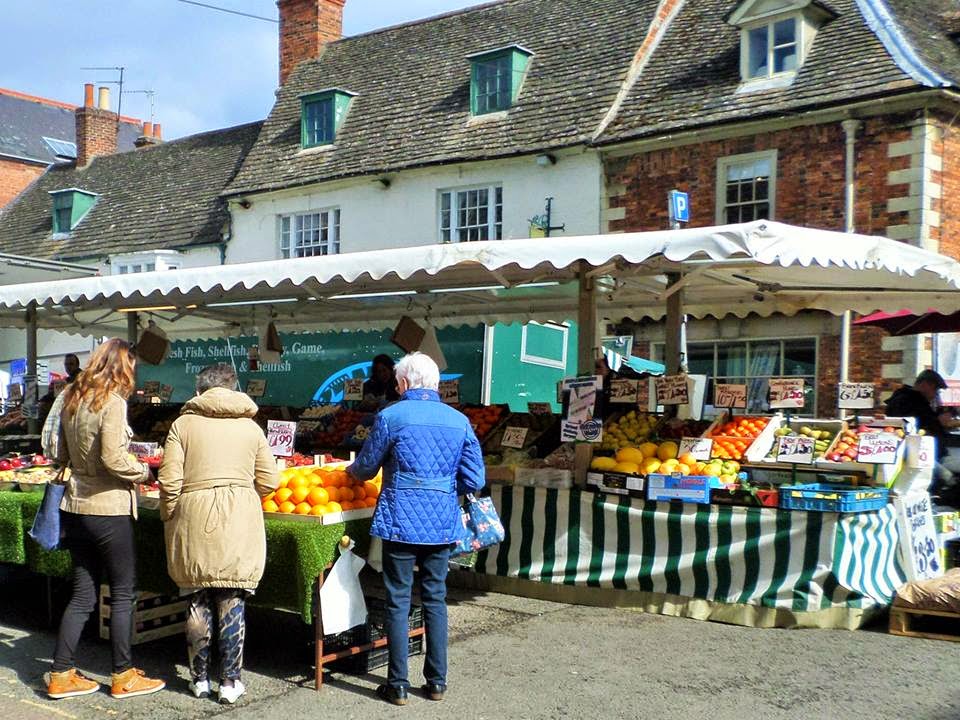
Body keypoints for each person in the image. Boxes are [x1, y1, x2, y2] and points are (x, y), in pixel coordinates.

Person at [348, 352, 485, 706]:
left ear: (404, 383)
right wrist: (440, 489)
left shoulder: (391, 416)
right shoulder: (459, 421)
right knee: (436, 598)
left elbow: (364, 469)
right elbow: (475, 479)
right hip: (441, 522)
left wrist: (349, 474)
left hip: (400, 520)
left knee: (398, 600)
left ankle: (398, 685)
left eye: (397, 381)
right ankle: (437, 683)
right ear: (435, 383)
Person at [47, 339, 165, 700]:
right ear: (121, 366)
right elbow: (115, 458)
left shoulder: (73, 397)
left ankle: (60, 673)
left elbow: (61, 452)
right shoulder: (112, 402)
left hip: (75, 506)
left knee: (83, 594)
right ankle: (123, 674)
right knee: (124, 592)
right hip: (108, 508)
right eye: (132, 365)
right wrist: (144, 472)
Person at [158, 363, 278, 705]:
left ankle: (199, 680)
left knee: (196, 596)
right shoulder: (250, 428)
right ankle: (230, 682)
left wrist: (170, 514)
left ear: (200, 390)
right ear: (233, 388)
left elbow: (169, 482)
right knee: (231, 596)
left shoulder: (183, 424)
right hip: (239, 516)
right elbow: (270, 482)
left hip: (192, 516)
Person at [886, 369, 960, 499]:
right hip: (919, 455)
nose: (935, 394)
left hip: (927, 454)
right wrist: (939, 420)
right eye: (935, 389)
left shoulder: (912, 399)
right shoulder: (909, 400)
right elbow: (919, 425)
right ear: (925, 384)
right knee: (949, 481)